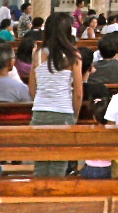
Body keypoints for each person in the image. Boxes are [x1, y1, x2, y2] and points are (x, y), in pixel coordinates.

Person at [28, 13, 83, 177]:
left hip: (39, 113)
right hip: (63, 112)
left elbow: (32, 88)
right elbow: (78, 93)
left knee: (40, 162)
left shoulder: (37, 54)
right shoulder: (74, 56)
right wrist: (75, 115)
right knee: (59, 163)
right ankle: (54, 199)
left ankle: (39, 197)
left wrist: (40, 102)